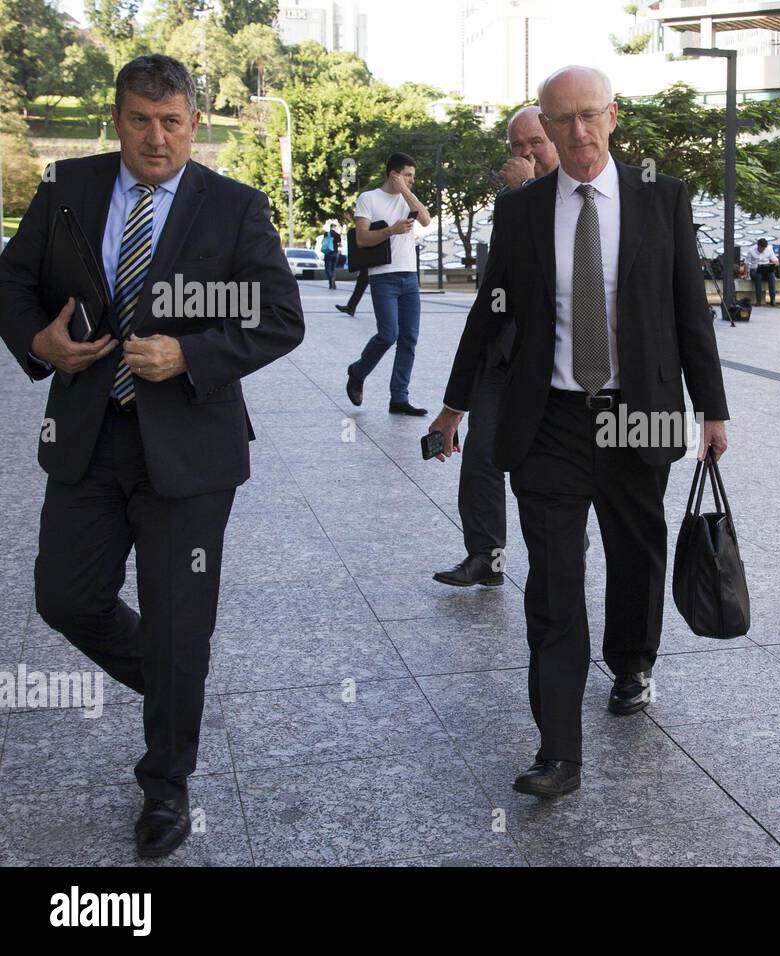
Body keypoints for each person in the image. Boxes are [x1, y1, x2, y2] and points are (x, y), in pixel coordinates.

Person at [0, 54, 305, 857]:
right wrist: (39, 340)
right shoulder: (69, 190)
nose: (156, 137)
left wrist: (192, 356)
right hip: (88, 440)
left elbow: (280, 317)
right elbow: (12, 282)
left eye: (172, 122)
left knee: (179, 624)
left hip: (191, 454)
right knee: (65, 598)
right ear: (117, 116)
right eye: (140, 119)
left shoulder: (234, 208)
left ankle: (165, 785)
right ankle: (177, 686)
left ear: (195, 124)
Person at [425, 65, 729, 799]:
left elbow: (691, 311)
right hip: (553, 421)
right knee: (555, 586)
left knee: (635, 552)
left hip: (640, 413)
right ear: (545, 130)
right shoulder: (524, 212)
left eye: (590, 116)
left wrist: (712, 410)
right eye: (562, 121)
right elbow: (490, 313)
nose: (579, 132)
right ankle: (558, 750)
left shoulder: (662, 201)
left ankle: (632, 663)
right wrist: (454, 404)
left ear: (614, 116)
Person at [433, 105, 560, 588]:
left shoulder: (571, 198)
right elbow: (490, 302)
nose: (525, 154)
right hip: (501, 357)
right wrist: (453, 404)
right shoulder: (513, 205)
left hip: (554, 364)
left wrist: (524, 188)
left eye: (535, 144)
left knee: (548, 469)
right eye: (516, 147)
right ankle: (485, 555)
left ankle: (566, 555)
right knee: (481, 455)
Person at [343, 152, 433, 416]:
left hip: (409, 275)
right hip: (383, 276)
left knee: (409, 338)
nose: (411, 181)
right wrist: (390, 231)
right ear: (393, 174)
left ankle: (399, 397)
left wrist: (405, 191)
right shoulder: (368, 199)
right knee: (388, 334)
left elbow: (426, 220)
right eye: (407, 175)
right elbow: (361, 239)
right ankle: (358, 371)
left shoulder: (408, 200)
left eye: (413, 177)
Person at [744, 237, 779, 306]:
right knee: (758, 276)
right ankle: (759, 300)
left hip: (766, 270)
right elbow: (746, 263)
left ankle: (773, 300)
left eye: (764, 248)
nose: (762, 250)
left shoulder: (769, 249)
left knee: (771, 276)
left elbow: (776, 261)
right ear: (758, 246)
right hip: (755, 270)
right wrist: (746, 274)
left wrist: (774, 264)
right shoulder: (751, 250)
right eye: (761, 248)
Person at [322, 224, 340, 289]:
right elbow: (339, 244)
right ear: (334, 228)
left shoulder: (326, 234)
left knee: (327, 269)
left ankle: (330, 281)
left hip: (328, 253)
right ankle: (333, 280)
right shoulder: (337, 235)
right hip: (336, 253)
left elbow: (324, 242)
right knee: (333, 268)